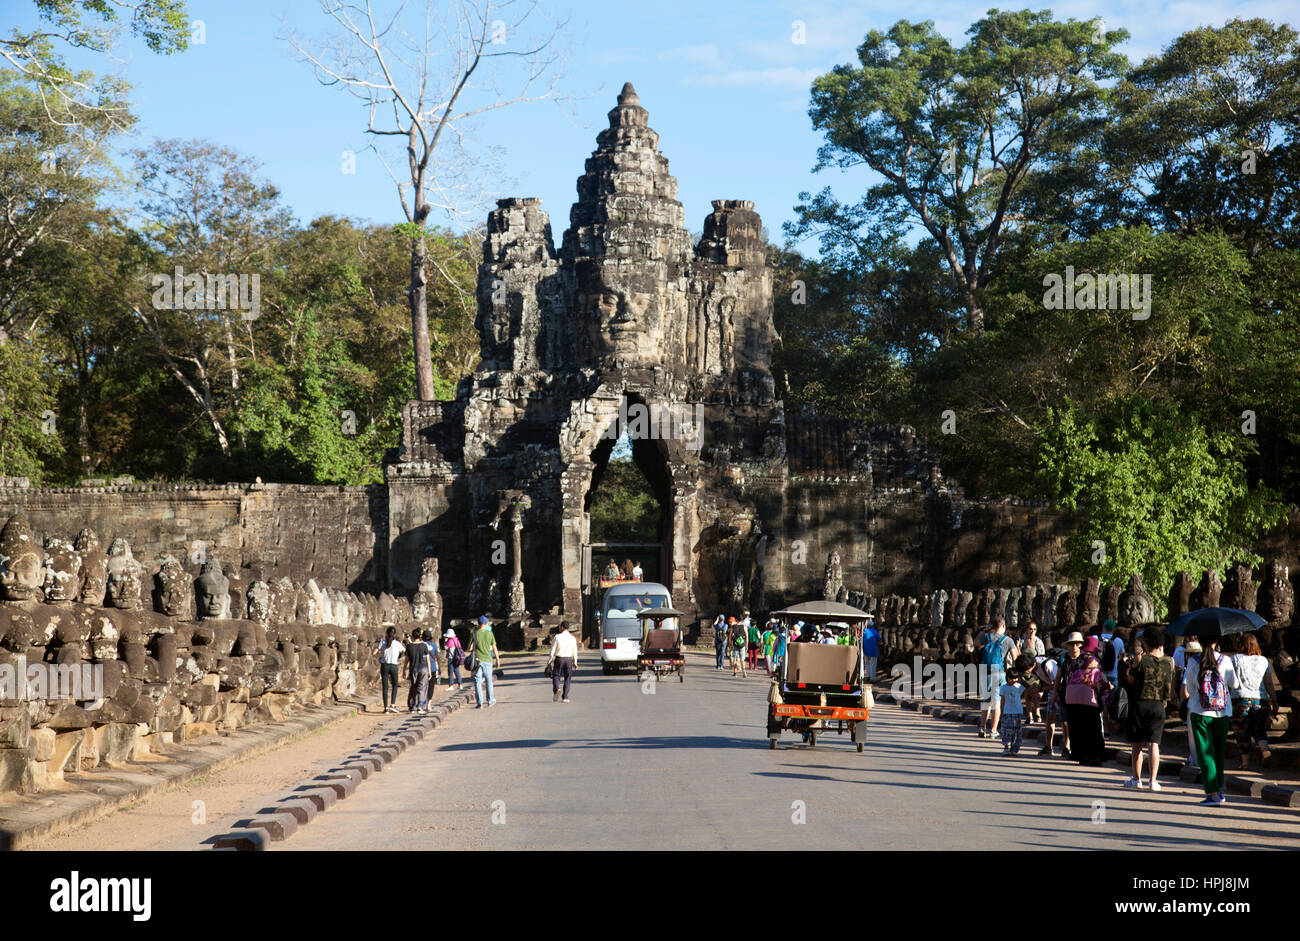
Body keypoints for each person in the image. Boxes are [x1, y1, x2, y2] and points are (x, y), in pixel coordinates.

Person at [1184, 637, 1241, 806]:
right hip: (1222, 712)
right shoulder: (1225, 660)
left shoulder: (1194, 661)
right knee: (1218, 751)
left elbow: (1190, 689)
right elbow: (1235, 684)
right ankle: (1219, 789)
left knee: (1204, 754)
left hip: (1200, 712)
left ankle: (1213, 792)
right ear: (1217, 640)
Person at [1124, 626, 1174, 790]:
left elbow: (1130, 681)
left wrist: (1128, 668)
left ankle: (1136, 779)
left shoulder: (1141, 659)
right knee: (1154, 744)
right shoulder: (1169, 662)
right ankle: (1153, 781)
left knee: (1137, 745)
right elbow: (1170, 686)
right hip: (1159, 704)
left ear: (1147, 643)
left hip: (1140, 703)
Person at [1229, 633, 1277, 769]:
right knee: (1259, 729)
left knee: (1241, 731)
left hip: (1240, 699)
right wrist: (1275, 700)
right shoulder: (1263, 660)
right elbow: (1269, 684)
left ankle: (1245, 763)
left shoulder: (1235, 659)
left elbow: (1230, 680)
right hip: (1260, 701)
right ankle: (1264, 749)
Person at [1063, 636, 1111, 766]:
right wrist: (1107, 690)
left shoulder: (1075, 661)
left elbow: (1068, 677)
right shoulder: (1094, 661)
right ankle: (1093, 755)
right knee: (1092, 726)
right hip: (1085, 695)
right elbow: (1098, 680)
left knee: (1076, 726)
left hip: (1071, 695)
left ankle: (1078, 754)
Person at [978, 618, 1018, 740]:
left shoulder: (986, 637)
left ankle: (982, 727)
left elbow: (975, 643)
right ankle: (993, 730)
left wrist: (985, 630)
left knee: (986, 701)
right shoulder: (1008, 640)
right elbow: (1015, 657)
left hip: (985, 672)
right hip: (999, 673)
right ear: (1004, 626)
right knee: (996, 702)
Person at [1054, 633, 1085, 758]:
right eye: (1072, 644)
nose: (1074, 646)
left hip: (1080, 695)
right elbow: (1058, 677)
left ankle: (1077, 746)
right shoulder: (1063, 659)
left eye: (1077, 644)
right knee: (1065, 722)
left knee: (1077, 722)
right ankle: (1067, 745)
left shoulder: (1084, 659)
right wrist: (1054, 695)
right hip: (1065, 694)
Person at [1174, 639, 1201, 768]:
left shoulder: (1191, 664)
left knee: (1193, 737)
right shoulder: (1209, 663)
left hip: (1193, 704)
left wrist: (1185, 699)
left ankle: (1195, 762)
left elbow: (1184, 692)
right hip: (1209, 705)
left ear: (1187, 654)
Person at [1032, 653, 1061, 755]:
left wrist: (1042, 689)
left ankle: (1067, 747)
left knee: (1066, 721)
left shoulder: (1047, 665)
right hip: (1052, 693)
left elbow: (1058, 682)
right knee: (1049, 719)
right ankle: (1049, 746)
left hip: (1062, 691)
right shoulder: (1033, 669)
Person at [471, 615, 499, 708]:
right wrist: (497, 659)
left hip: (477, 661)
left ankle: (480, 702)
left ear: (478, 624)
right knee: (488, 681)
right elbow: (494, 648)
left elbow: (469, 648)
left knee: (477, 681)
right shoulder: (489, 634)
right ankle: (490, 700)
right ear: (486, 623)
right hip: (487, 660)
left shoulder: (474, 633)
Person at [549, 620, 579, 703]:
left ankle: (557, 689)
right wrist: (575, 662)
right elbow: (574, 651)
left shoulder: (557, 637)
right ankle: (565, 697)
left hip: (559, 659)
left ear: (562, 627)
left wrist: (550, 659)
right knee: (567, 678)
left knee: (556, 675)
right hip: (569, 659)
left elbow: (553, 649)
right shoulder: (572, 638)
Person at [404, 628, 432, 715]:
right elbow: (428, 659)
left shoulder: (409, 646)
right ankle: (420, 706)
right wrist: (430, 671)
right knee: (422, 688)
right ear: (420, 636)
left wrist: (404, 670)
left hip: (413, 668)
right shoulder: (424, 646)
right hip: (423, 668)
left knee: (413, 687)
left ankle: (412, 706)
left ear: (412, 636)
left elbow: (406, 660)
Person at [377, 625, 403, 714]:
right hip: (394, 665)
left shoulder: (383, 642)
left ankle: (386, 708)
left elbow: (374, 652)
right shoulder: (397, 643)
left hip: (384, 665)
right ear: (394, 634)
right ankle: (393, 704)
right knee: (395, 685)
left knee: (385, 687)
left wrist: (381, 656)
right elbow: (404, 651)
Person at [998, 672, 1026, 755]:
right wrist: (1001, 712)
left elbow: (1024, 694)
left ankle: (1015, 749)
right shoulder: (1003, 688)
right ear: (1007, 678)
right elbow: (1002, 700)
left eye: (1016, 678)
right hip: (1007, 712)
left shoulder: (1019, 686)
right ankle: (1006, 747)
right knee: (1007, 731)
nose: (1014, 680)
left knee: (1017, 731)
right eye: (1012, 678)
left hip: (1017, 712)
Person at [1097, 618, 1125, 689]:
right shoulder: (1118, 641)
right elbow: (1122, 656)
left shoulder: (1095, 639)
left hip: (1098, 674)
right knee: (1113, 697)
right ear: (1114, 629)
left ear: (1103, 627)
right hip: (1113, 674)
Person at [423, 629, 440, 696]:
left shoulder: (421, 644)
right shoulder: (434, 645)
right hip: (432, 668)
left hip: (422, 667)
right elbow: (438, 657)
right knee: (431, 686)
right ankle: (429, 702)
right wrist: (439, 668)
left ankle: (421, 701)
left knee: (422, 685)